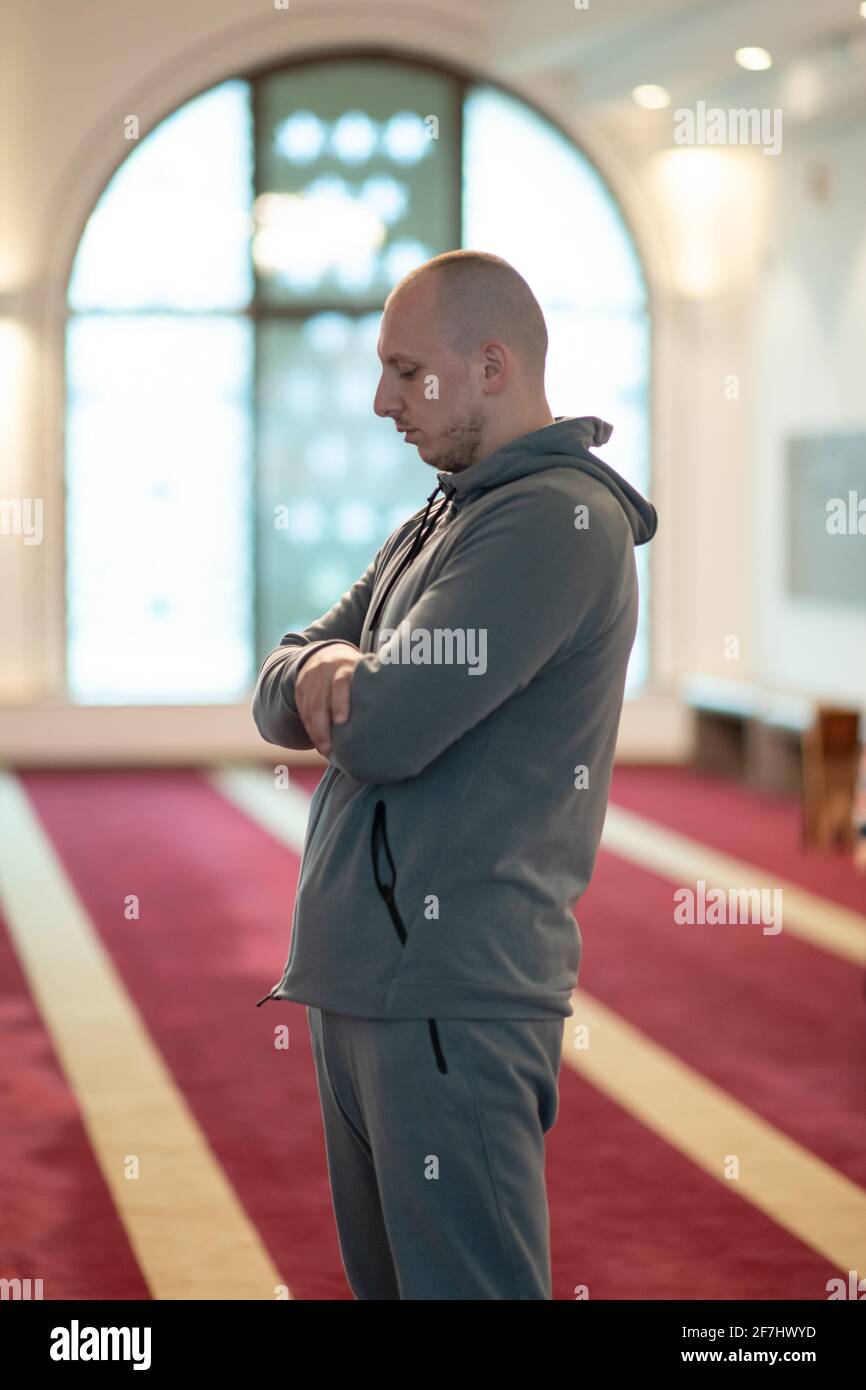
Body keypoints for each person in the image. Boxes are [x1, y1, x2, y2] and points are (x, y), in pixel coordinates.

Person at [252, 249, 658, 1299]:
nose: (380, 400)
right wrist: (321, 669)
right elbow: (272, 686)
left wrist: (346, 680)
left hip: (452, 988)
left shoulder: (550, 523)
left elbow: (384, 729)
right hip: (366, 984)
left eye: (403, 370)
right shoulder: (439, 516)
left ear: (489, 365)